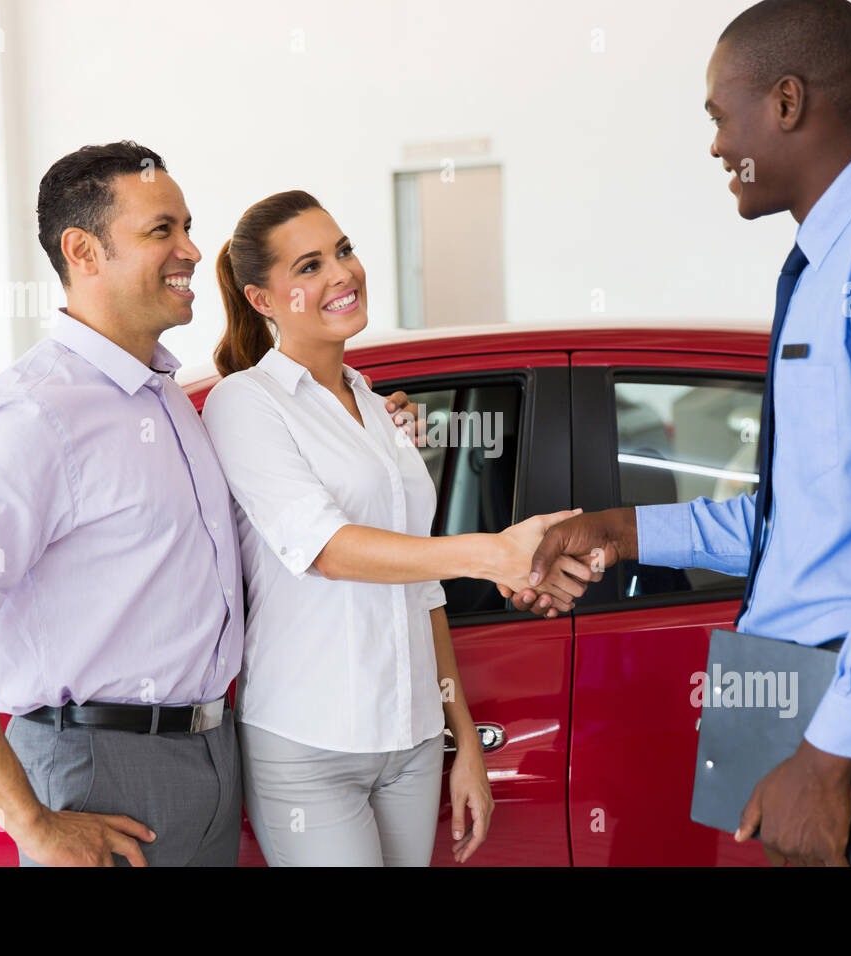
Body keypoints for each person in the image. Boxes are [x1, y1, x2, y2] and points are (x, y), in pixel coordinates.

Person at [503, 0, 851, 867]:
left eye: (719, 115)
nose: (715, 145)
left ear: (786, 102)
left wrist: (830, 756)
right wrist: (622, 530)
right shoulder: (837, 261)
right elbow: (813, 519)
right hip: (832, 702)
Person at [0, 142, 418, 867]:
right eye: (163, 230)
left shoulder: (169, 399)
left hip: (210, 754)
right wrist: (31, 822)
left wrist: (376, 434)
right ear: (83, 251)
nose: (192, 250)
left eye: (187, 226)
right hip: (100, 772)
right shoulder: (34, 417)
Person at [201, 190, 593, 865]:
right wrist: (492, 553)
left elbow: (422, 588)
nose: (342, 274)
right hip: (309, 743)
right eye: (309, 266)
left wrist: (461, 736)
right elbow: (327, 550)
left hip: (411, 740)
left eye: (344, 251)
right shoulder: (244, 404)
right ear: (263, 299)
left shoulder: (380, 410)